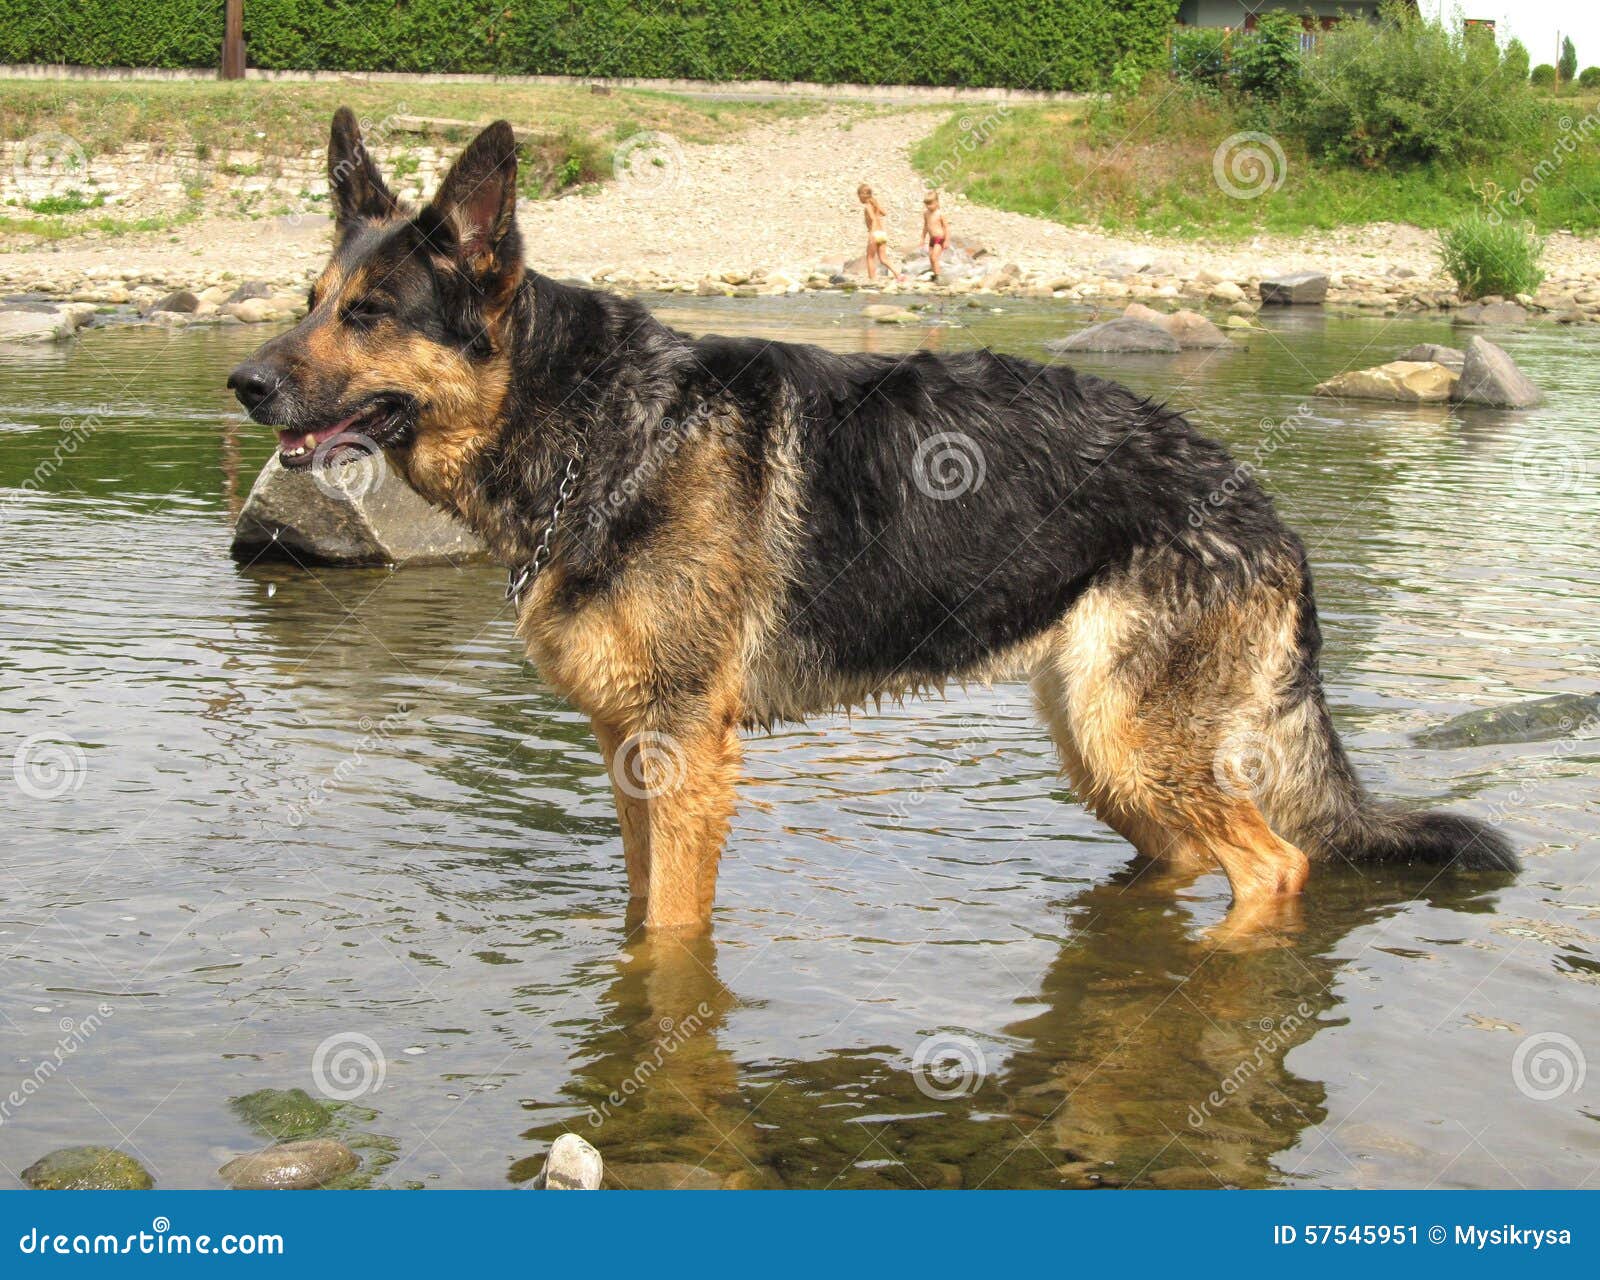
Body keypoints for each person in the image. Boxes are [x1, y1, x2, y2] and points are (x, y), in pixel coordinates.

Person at [857, 183, 904, 282]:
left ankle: (872, 279)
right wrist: (877, 208)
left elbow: (873, 219)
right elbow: (884, 213)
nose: (858, 198)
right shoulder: (874, 203)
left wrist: (871, 234)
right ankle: (898, 275)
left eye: (858, 195)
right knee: (883, 258)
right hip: (882, 233)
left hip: (874, 233)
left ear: (862, 195)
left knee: (870, 257)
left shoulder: (868, 206)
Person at [921, 190, 950, 279]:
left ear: (937, 202)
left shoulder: (940, 214)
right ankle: (934, 274)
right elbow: (926, 226)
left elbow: (946, 227)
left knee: (934, 257)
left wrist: (947, 240)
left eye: (930, 204)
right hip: (932, 239)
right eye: (927, 204)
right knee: (931, 258)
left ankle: (938, 276)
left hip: (939, 238)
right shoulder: (926, 213)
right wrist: (922, 238)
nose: (928, 206)